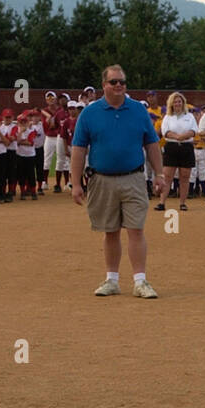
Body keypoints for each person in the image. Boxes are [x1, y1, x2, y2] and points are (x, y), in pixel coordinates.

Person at [71, 63, 162, 299]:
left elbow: (151, 143)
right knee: (110, 231)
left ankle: (140, 281)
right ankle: (112, 280)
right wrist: (76, 183)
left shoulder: (139, 111)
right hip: (101, 180)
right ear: (104, 86)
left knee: (136, 229)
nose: (119, 85)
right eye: (114, 82)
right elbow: (79, 149)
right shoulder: (90, 113)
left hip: (133, 178)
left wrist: (160, 174)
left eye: (122, 81)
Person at [157, 91, 197, 211]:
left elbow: (194, 131)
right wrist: (177, 137)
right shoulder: (168, 117)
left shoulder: (189, 116)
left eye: (179, 101)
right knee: (167, 176)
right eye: (175, 101)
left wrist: (183, 137)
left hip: (186, 147)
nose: (177, 103)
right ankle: (162, 203)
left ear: (183, 103)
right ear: (171, 103)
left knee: (184, 177)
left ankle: (182, 203)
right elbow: (165, 132)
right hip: (171, 147)